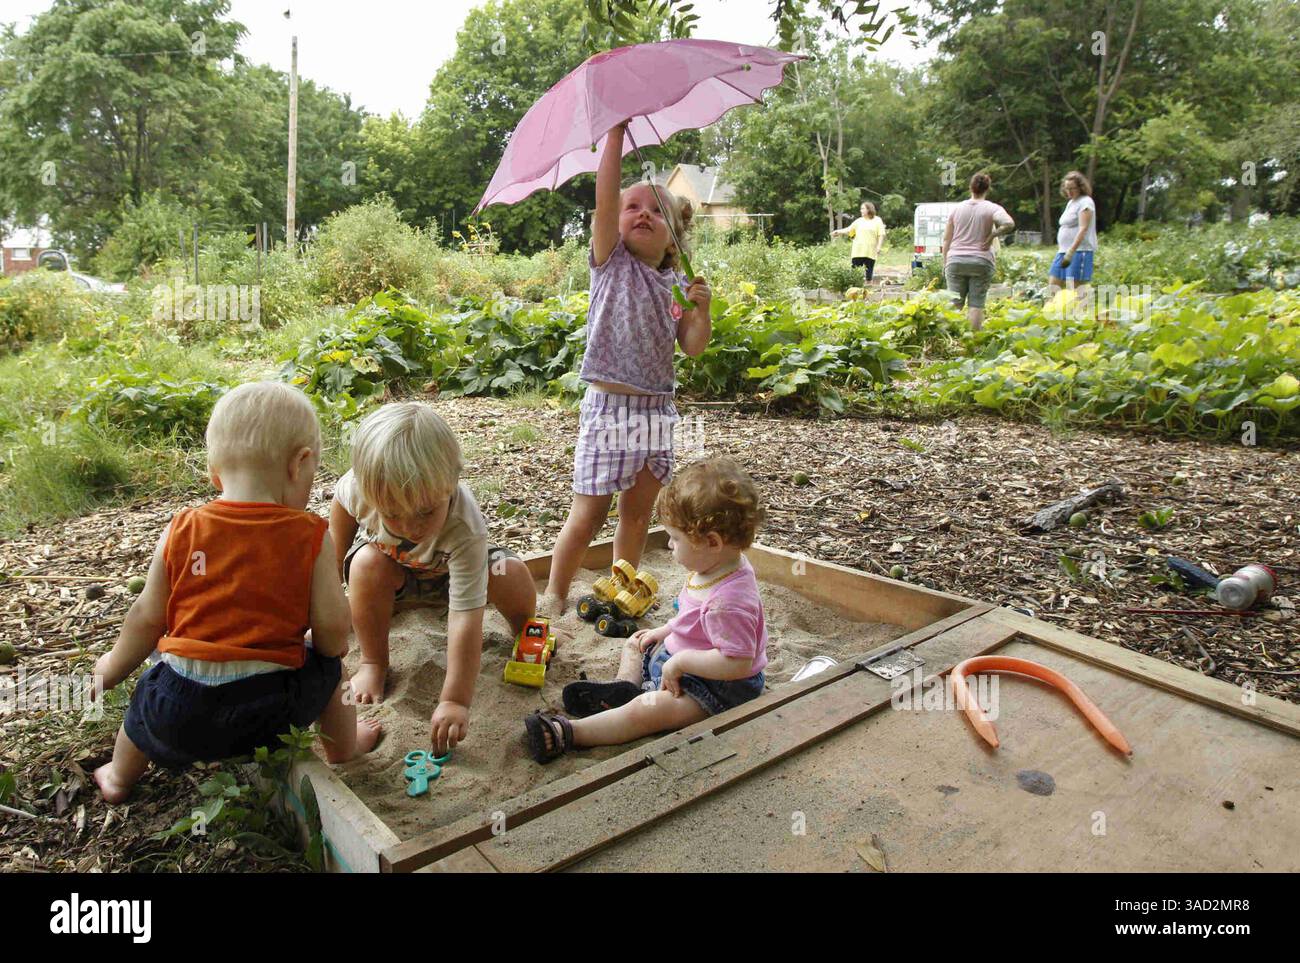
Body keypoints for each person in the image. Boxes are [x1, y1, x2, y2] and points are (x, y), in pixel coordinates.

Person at [92, 382, 381, 803]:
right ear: (299, 464)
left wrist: (110, 669)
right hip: (270, 716)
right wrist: (315, 648)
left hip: (177, 717)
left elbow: (146, 617)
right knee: (333, 670)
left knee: (147, 691)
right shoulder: (310, 535)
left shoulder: (181, 529)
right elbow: (334, 632)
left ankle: (118, 777)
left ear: (215, 473)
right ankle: (344, 747)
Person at [540, 120, 712, 618]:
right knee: (588, 513)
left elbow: (693, 347)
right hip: (608, 407)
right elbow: (604, 197)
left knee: (636, 517)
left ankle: (620, 590)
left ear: (675, 235)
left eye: (657, 210)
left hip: (656, 410)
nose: (641, 213)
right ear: (614, 222)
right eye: (632, 207)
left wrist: (702, 310)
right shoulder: (611, 261)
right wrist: (614, 134)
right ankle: (554, 591)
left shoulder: (677, 282)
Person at [524, 458, 767, 762]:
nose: (668, 544)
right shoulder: (713, 566)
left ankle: (570, 733)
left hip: (717, 689)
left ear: (712, 541)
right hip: (681, 660)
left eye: (676, 539)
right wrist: (665, 631)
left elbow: (738, 663)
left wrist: (680, 663)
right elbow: (691, 618)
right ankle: (625, 687)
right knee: (635, 642)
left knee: (646, 710)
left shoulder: (728, 602)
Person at [329, 402, 536, 753]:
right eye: (393, 514)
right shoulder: (360, 488)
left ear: (452, 483)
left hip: (451, 579)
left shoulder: (464, 526)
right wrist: (333, 574)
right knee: (365, 564)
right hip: (396, 577)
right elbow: (341, 513)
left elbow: (466, 617)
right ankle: (374, 661)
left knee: (508, 571)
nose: (411, 527)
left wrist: (455, 700)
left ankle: (528, 630)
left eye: (426, 512)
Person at [941, 172, 1015, 331]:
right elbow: (1008, 223)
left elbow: (946, 239)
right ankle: (972, 343)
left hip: (955, 260)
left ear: (970, 188)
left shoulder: (957, 209)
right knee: (976, 304)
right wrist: (993, 235)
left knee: (953, 304)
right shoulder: (992, 208)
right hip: (981, 261)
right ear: (987, 189)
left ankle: (946, 341)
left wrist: (945, 262)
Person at [1048, 170, 1097, 312]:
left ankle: (1083, 314)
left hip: (1079, 250)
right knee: (1053, 283)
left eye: (1072, 188)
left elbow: (1083, 228)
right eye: (1066, 188)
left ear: (1080, 187)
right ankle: (1050, 312)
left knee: (1075, 286)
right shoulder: (1071, 203)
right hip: (1062, 251)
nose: (1069, 191)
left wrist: (1071, 251)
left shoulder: (1086, 202)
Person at [832, 201, 887, 284]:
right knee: (855, 274)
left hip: (870, 251)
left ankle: (868, 292)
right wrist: (838, 232)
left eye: (862, 208)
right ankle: (855, 292)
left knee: (869, 274)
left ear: (869, 209)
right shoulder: (859, 221)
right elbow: (849, 229)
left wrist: (879, 246)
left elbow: (881, 235)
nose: (861, 210)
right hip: (858, 251)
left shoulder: (877, 220)